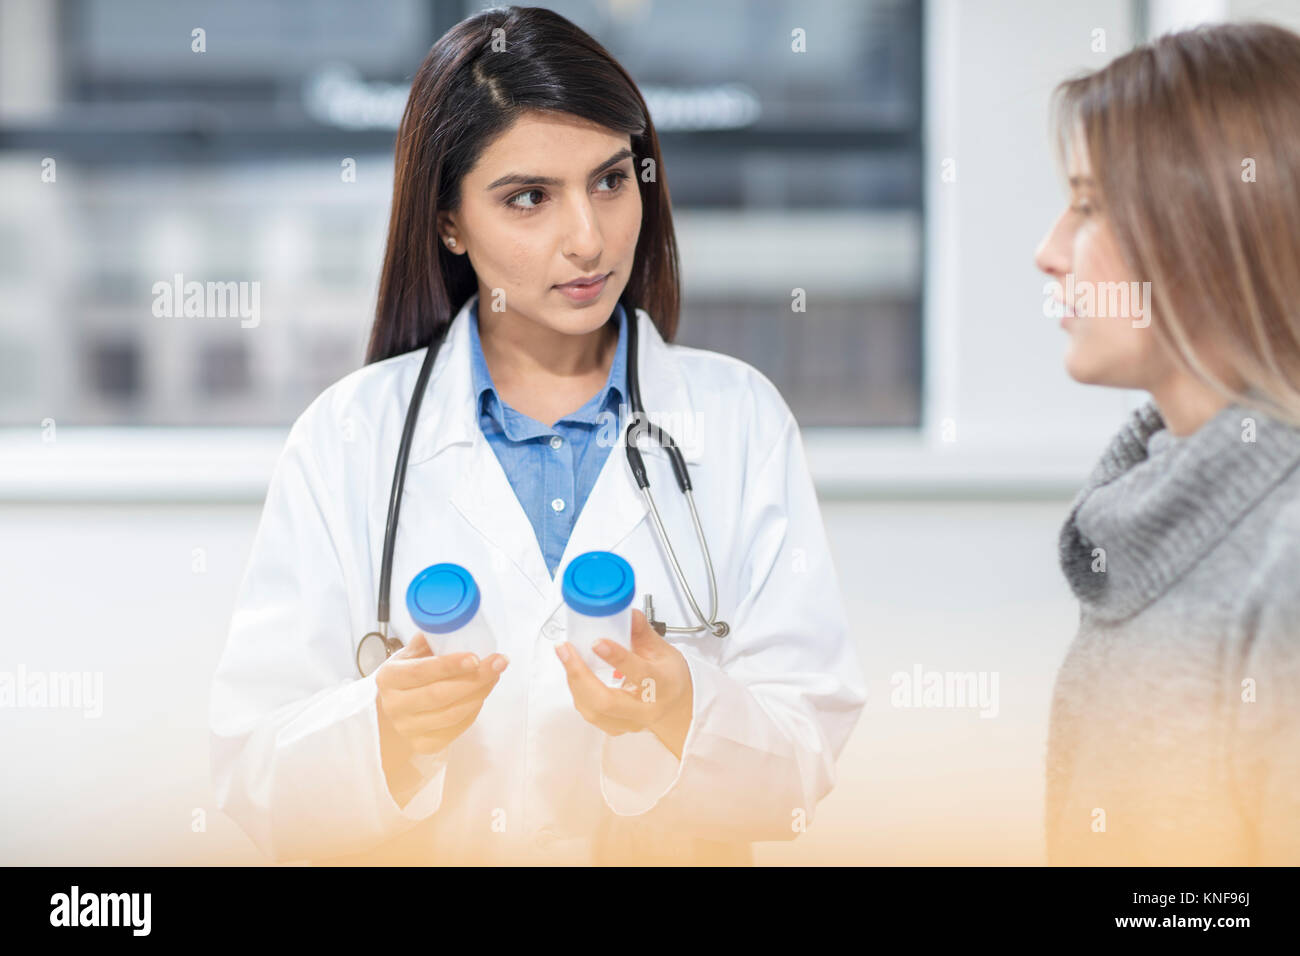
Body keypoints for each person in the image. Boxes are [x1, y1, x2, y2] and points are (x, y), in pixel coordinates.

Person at [209, 5, 865, 865]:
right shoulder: (349, 438)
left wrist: (680, 706)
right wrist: (384, 730)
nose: (588, 238)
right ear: (449, 223)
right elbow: (249, 775)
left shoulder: (739, 420)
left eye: (610, 181)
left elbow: (804, 760)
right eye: (529, 198)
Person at [1034, 21, 1300, 864]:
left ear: (1208, 227)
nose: (1049, 254)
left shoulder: (1286, 562)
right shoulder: (1139, 518)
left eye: (1087, 206)